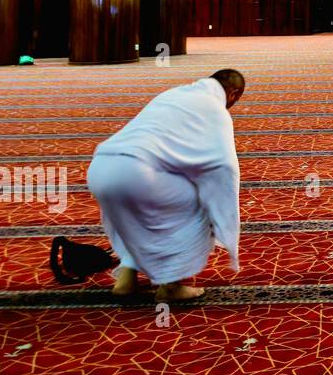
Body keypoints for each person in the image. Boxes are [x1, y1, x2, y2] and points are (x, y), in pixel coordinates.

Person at [86, 70, 245, 302]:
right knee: (199, 203)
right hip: (137, 174)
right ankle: (170, 286)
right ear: (233, 94)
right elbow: (223, 167)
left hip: (101, 168)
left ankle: (126, 280)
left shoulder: (172, 95)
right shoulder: (215, 109)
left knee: (136, 214)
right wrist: (225, 220)